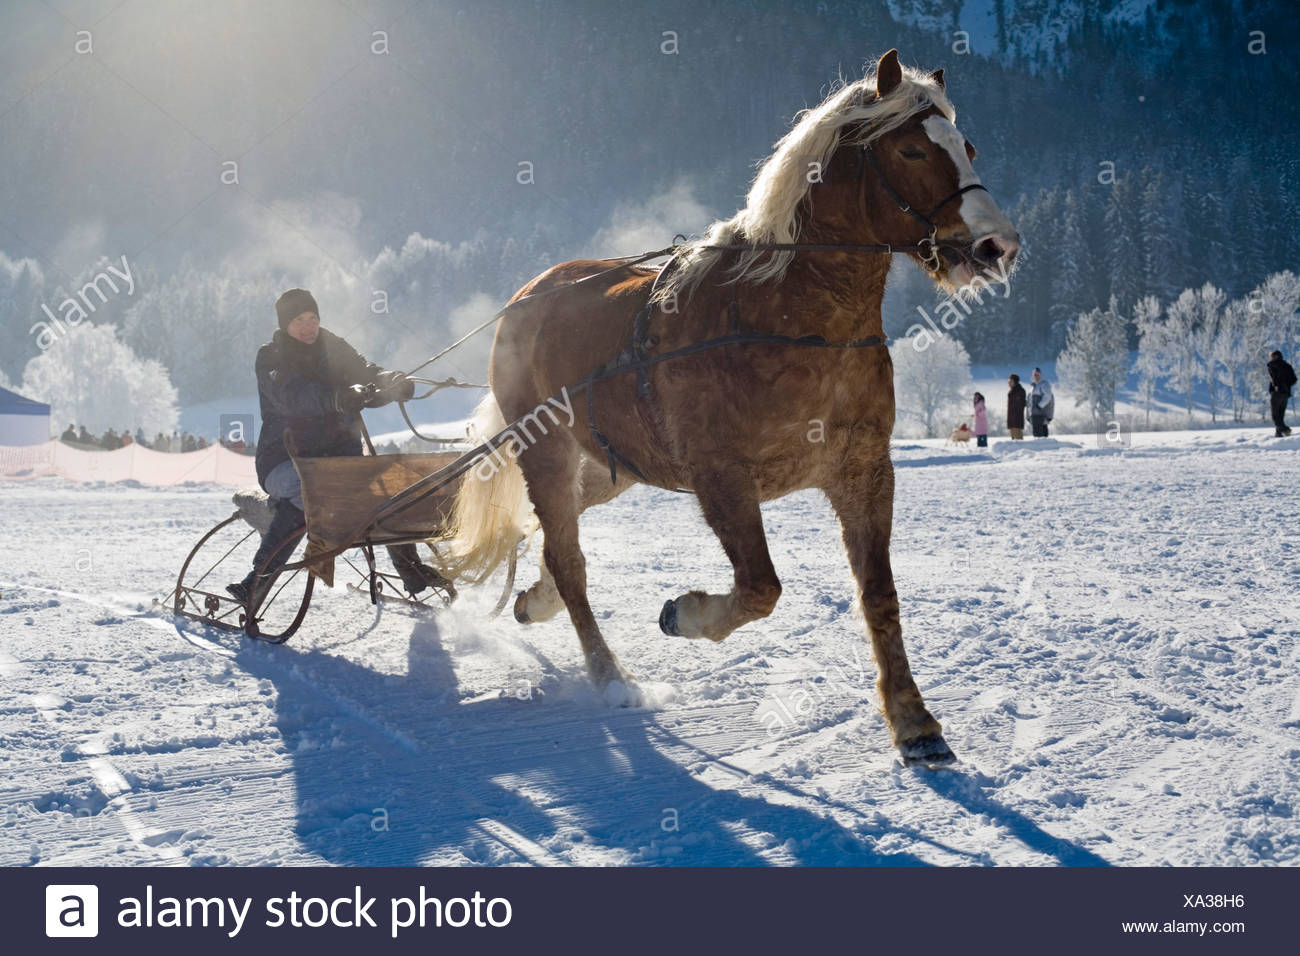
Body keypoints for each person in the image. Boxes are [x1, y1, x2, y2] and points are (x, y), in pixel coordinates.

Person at [227, 287, 444, 606]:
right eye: (299, 320)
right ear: (285, 324)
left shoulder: (333, 346)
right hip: (285, 462)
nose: (308, 326)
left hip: (341, 461)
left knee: (386, 489)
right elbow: (293, 397)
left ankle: (410, 571)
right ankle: (257, 581)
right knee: (310, 490)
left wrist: (392, 382)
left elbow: (366, 372)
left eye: (312, 318)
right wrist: (337, 398)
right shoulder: (271, 357)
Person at [1268, 349, 1296, 437]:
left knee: (1275, 415)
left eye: (1271, 357)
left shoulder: (1273, 364)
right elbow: (1294, 379)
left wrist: (1276, 385)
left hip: (1277, 392)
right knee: (1280, 415)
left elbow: (1274, 377)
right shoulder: (1288, 366)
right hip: (1286, 393)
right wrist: (1286, 385)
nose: (1270, 358)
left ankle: (1285, 429)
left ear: (1276, 357)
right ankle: (1278, 433)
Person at [1028, 367, 1054, 437]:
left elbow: (1047, 396)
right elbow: (1030, 401)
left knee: (1039, 433)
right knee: (1040, 431)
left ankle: (1041, 443)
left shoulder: (1044, 384)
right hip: (1034, 414)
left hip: (1040, 413)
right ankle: (1045, 443)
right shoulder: (1033, 387)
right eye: (1034, 374)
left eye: (1038, 374)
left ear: (1041, 375)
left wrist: (1039, 406)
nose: (1036, 376)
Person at [1007, 373, 1026, 440]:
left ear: (1015, 381)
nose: (1009, 382)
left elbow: (1022, 404)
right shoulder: (1011, 391)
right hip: (1012, 420)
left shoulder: (1020, 391)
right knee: (1013, 440)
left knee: (1018, 440)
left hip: (1017, 420)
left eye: (1011, 381)